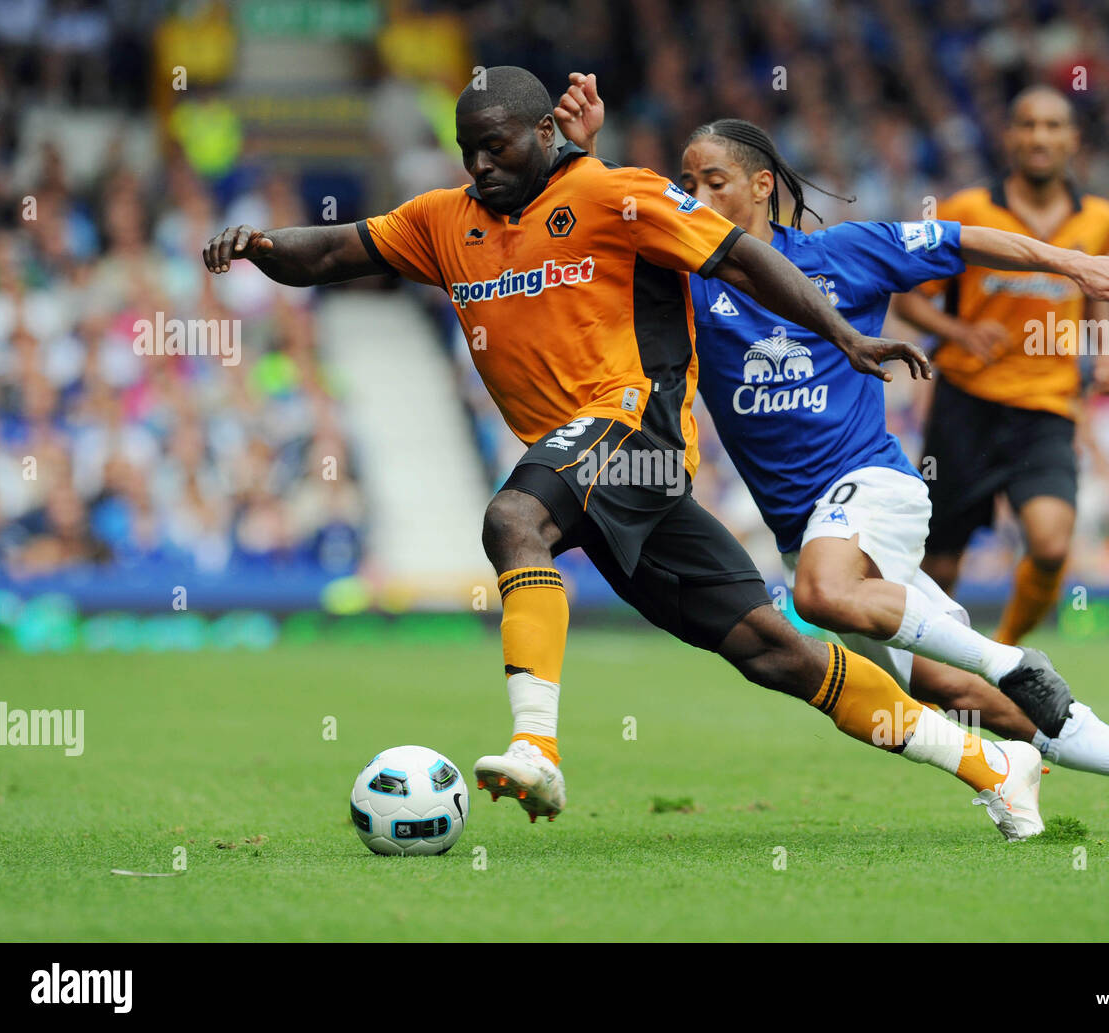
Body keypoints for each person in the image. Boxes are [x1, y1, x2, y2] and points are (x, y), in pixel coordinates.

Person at [204, 66, 1050, 842]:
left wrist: (843, 334)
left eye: (495, 149)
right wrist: (258, 246)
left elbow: (744, 258)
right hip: (589, 466)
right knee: (771, 649)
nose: (480, 167)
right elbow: (332, 250)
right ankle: (990, 764)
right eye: (468, 153)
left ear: (544, 135)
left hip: (632, 427)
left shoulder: (618, 195)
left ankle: (535, 746)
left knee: (513, 518)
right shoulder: (442, 221)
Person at [555, 72, 1109, 833]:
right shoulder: (693, 282)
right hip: (812, 528)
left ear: (762, 186)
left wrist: (1072, 264)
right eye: (687, 183)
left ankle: (1012, 659)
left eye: (715, 181)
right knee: (956, 693)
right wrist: (587, 151)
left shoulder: (847, 252)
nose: (696, 196)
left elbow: (966, 241)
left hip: (873, 489)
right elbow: (610, 225)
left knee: (819, 597)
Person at [891, 85, 1109, 646]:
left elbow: (1099, 295)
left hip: (1046, 407)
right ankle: (923, 675)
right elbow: (910, 298)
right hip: (966, 405)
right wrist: (960, 331)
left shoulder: (1099, 218)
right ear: (1009, 137)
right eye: (1027, 125)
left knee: (1050, 545)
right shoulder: (967, 211)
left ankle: (1005, 656)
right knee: (941, 567)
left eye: (1052, 125)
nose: (1039, 136)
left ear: (1073, 138)